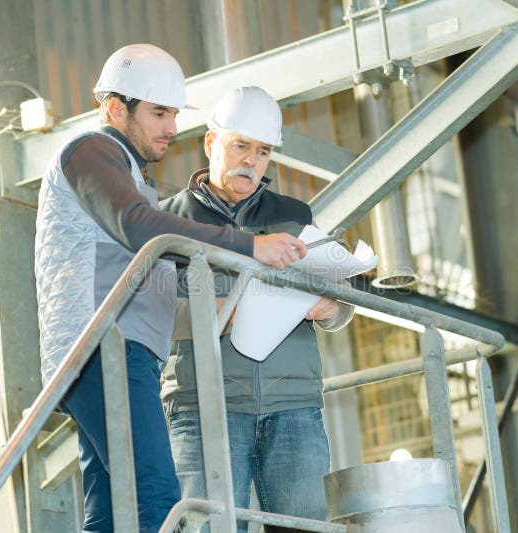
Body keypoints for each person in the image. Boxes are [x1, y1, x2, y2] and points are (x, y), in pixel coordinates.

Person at [34, 46, 306, 533]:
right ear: (116, 108)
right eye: (159, 113)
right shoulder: (92, 151)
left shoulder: (128, 172)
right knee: (157, 498)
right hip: (105, 347)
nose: (169, 127)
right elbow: (140, 228)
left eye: (174, 114)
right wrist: (249, 246)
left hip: (107, 350)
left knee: (111, 510)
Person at [160, 86, 354, 532]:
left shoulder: (294, 215)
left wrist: (330, 309)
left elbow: (343, 302)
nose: (251, 160)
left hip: (294, 407)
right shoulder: (170, 221)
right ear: (211, 143)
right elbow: (157, 316)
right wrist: (227, 311)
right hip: (204, 407)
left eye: (262, 151)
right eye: (240, 145)